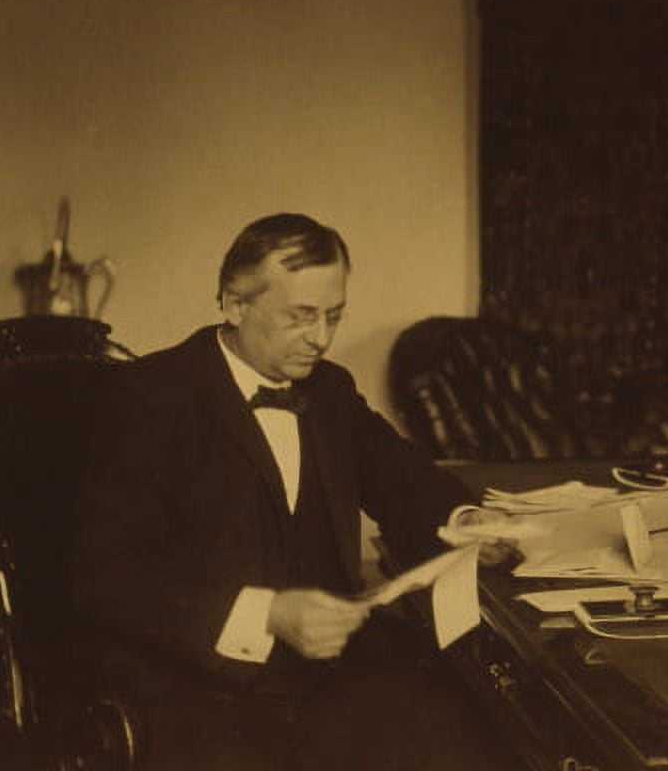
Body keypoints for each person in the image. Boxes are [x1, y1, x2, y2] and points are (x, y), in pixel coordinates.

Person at [73, 213, 511, 770]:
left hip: (324, 678)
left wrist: (464, 517)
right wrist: (269, 614)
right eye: (301, 317)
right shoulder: (149, 398)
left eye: (334, 316)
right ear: (234, 305)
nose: (322, 338)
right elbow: (106, 576)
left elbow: (402, 479)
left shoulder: (328, 389)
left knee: (465, 731)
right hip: (198, 683)